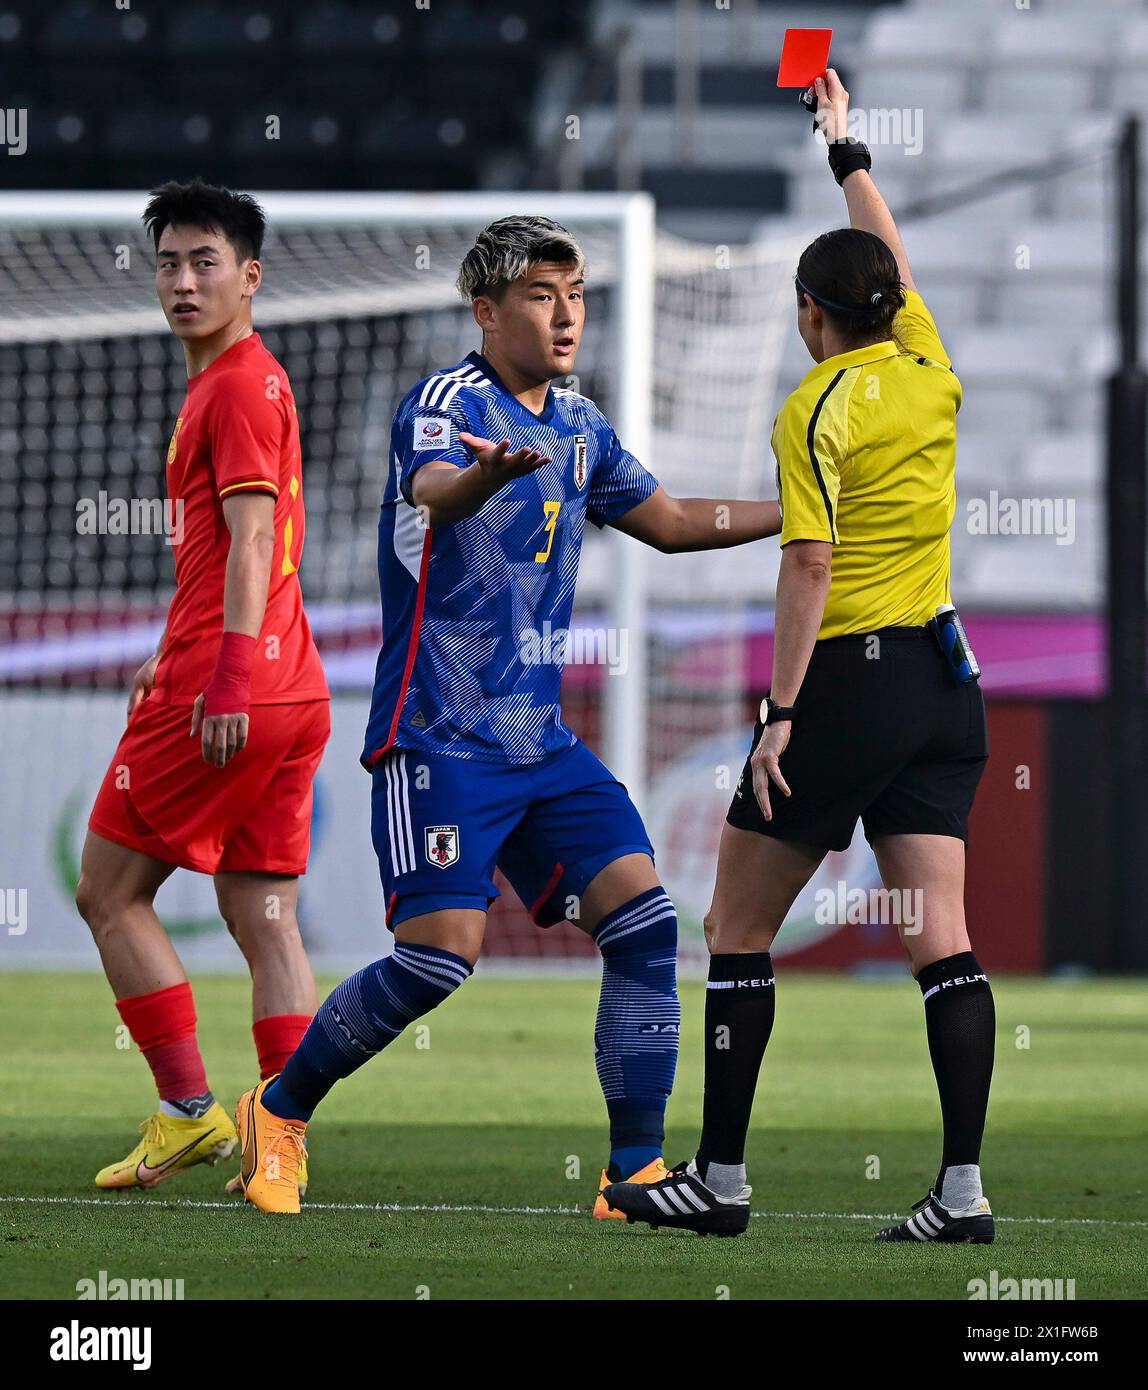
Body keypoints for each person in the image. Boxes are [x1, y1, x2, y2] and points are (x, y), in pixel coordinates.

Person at [233, 214, 784, 1214]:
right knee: (440, 957)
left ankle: (632, 1175)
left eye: (573, 294)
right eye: (540, 293)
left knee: (646, 922)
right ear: (486, 310)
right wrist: (488, 470)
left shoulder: (578, 425)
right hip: (437, 735)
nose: (565, 313)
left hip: (536, 739)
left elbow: (664, 521)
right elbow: (435, 490)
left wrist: (795, 510)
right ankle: (279, 1108)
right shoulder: (445, 402)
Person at [605, 70, 994, 1243]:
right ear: (885, 305)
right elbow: (896, 266)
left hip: (849, 682)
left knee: (733, 928)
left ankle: (718, 1181)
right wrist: (846, 150)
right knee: (942, 936)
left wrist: (777, 712)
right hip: (944, 682)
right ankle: (961, 1192)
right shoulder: (924, 365)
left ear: (808, 313)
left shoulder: (813, 407)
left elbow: (806, 568)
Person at [76, 180, 330, 1193]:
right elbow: (233, 546)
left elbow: (257, 534)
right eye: (169, 264)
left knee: (108, 891)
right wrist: (174, 641)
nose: (183, 281)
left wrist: (217, 672)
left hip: (231, 687)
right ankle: (280, 1148)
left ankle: (187, 1112)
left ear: (250, 277)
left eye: (204, 262)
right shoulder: (251, 379)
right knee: (265, 915)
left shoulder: (229, 385)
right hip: (293, 683)